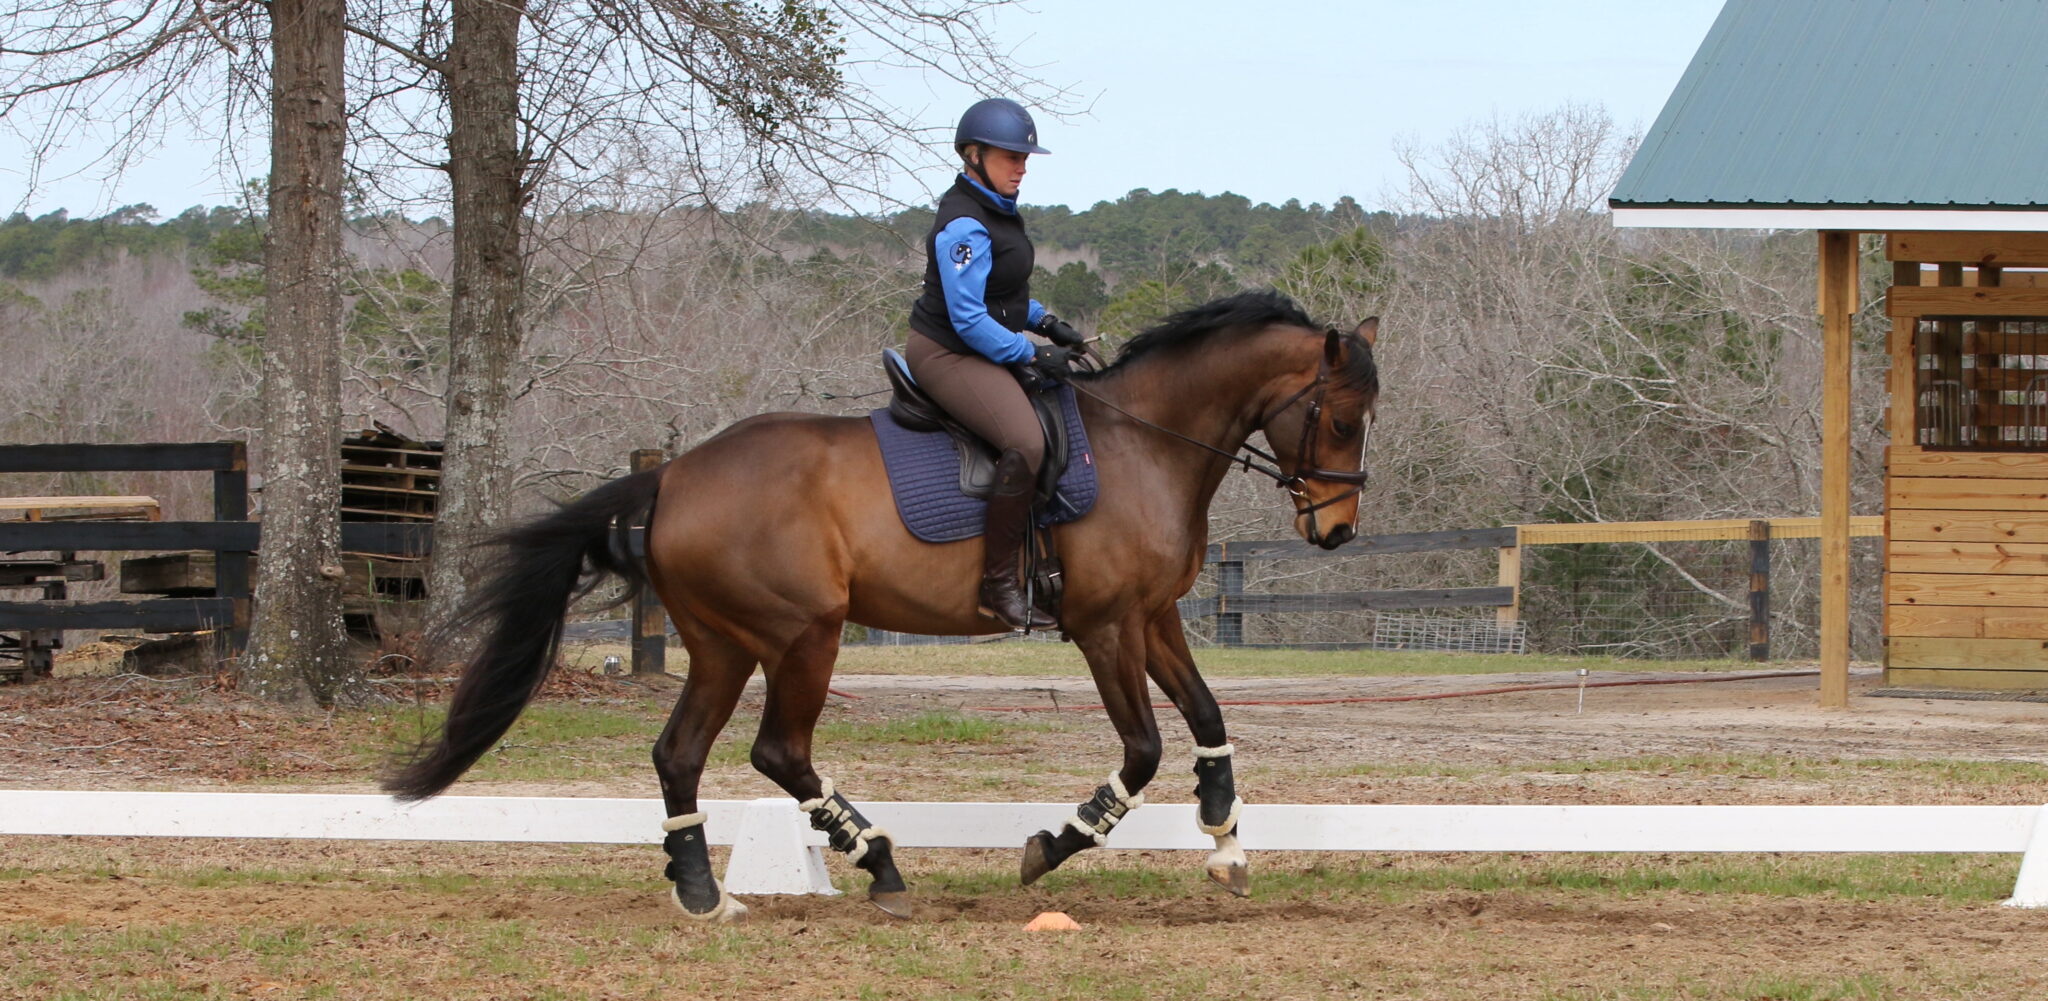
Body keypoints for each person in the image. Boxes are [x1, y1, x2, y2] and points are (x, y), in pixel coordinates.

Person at [905, 98, 1086, 631]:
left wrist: (1046, 322)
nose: (1022, 167)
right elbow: (966, 317)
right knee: (1026, 443)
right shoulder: (963, 223)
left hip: (983, 343)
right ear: (975, 154)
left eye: (1025, 157)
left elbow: (1000, 296)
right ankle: (998, 582)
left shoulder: (997, 208)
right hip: (947, 352)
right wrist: (1031, 351)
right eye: (1012, 156)